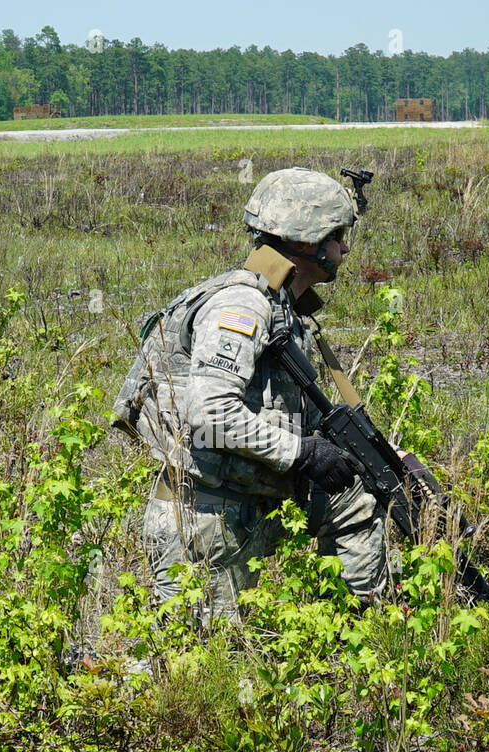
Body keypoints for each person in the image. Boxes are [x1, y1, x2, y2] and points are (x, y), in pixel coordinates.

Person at [113, 167, 389, 620]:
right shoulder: (241, 306)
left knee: (357, 502)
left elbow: (275, 405)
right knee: (195, 664)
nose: (346, 248)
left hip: (249, 498)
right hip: (204, 518)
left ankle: (349, 645)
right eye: (338, 235)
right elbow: (211, 411)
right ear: (305, 241)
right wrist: (302, 453)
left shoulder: (283, 306)